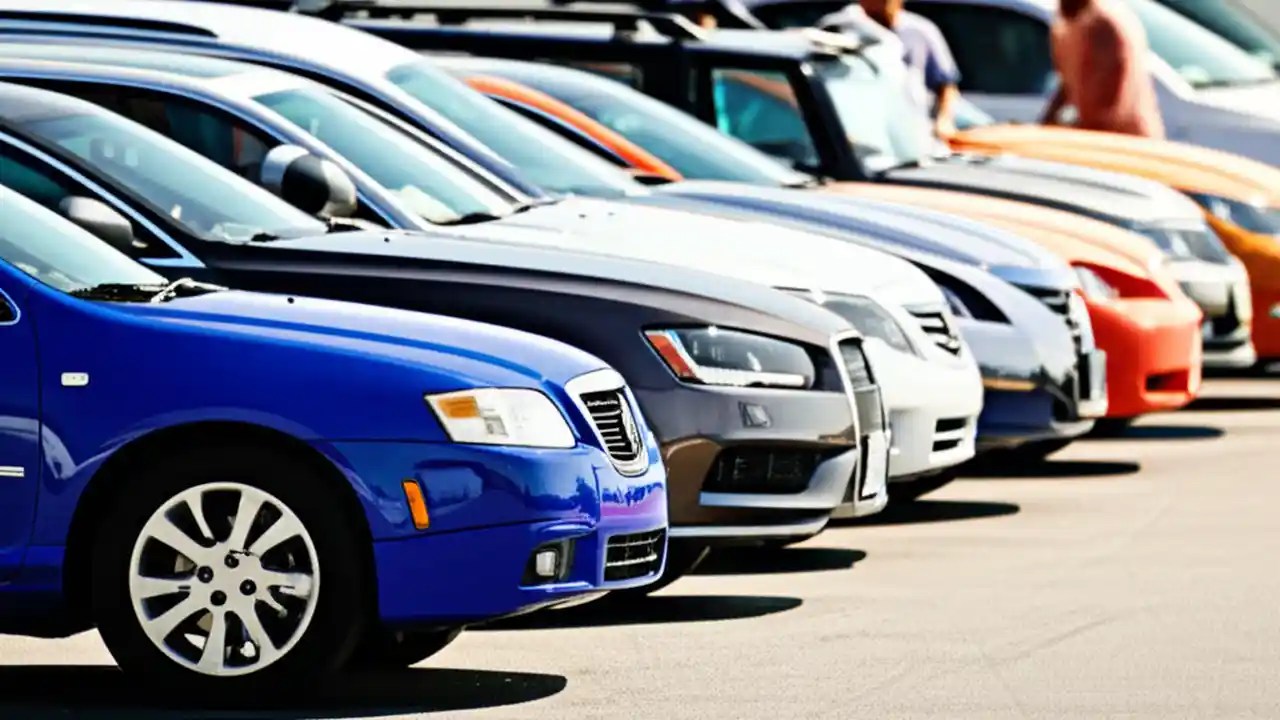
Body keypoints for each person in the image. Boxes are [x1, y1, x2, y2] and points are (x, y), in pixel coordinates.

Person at [819, 0, 963, 139]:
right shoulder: (837, 27)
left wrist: (945, 121)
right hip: (857, 128)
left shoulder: (921, 30)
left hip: (915, 128)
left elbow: (947, 84)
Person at [1041, 0, 1165, 138]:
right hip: (1100, 144)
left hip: (1126, 146)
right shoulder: (1066, 25)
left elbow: (1106, 111)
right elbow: (1067, 88)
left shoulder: (1104, 27)